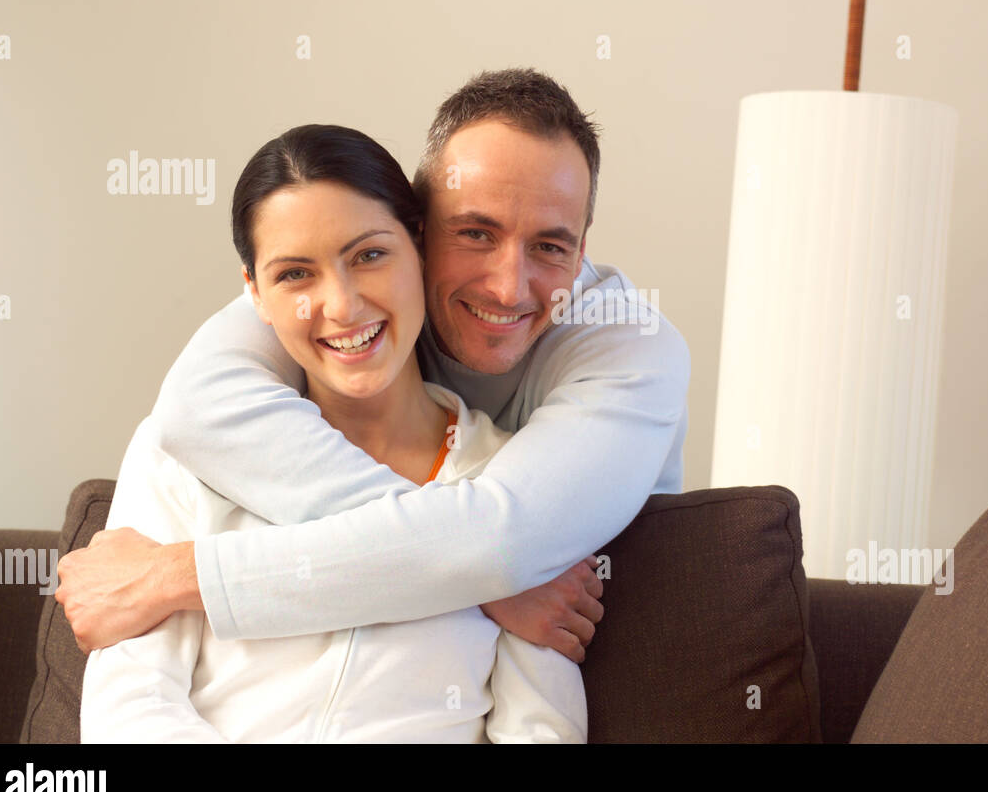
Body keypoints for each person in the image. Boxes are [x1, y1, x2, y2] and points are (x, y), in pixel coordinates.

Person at [57, 68, 690, 670]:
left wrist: (171, 575)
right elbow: (194, 411)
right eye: (474, 233)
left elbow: (504, 543)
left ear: (583, 251)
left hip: (583, 652)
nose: (507, 286)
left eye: (550, 246)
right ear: (416, 231)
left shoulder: (634, 349)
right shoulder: (348, 289)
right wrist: (477, 576)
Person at [81, 124, 586, 741]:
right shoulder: (179, 457)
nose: (342, 305)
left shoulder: (517, 488)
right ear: (255, 295)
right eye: (295, 275)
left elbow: (541, 732)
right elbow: (129, 711)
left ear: (420, 249)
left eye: (369, 255)